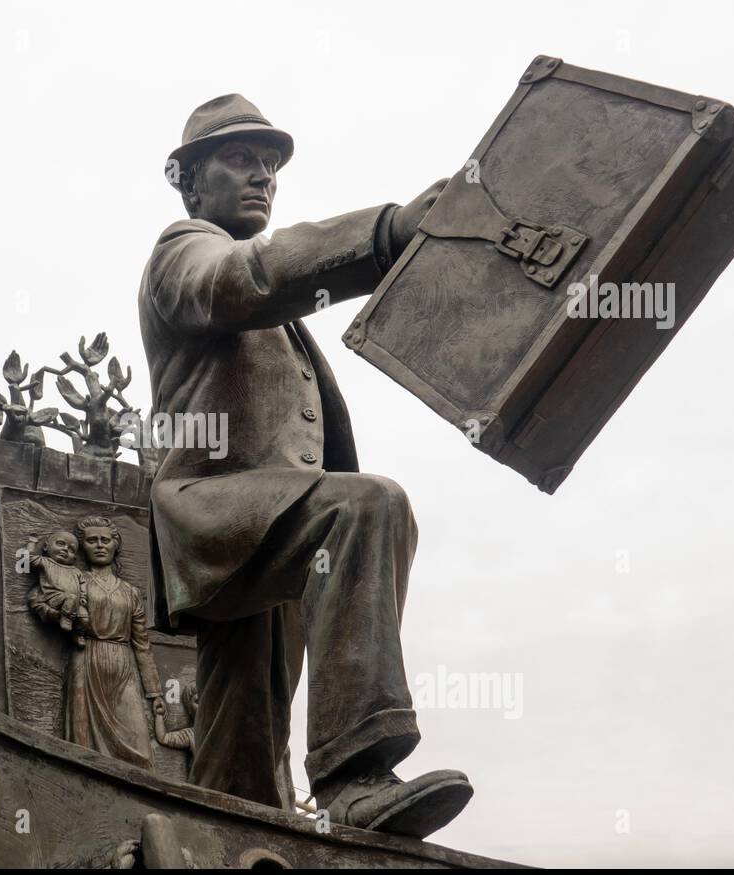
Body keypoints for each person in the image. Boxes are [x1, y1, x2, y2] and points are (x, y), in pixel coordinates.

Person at [137, 94, 472, 837]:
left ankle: (232, 837)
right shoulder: (181, 251)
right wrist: (386, 232)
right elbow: (246, 279)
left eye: (270, 166)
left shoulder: (282, 317)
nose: (262, 177)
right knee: (365, 507)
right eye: (240, 160)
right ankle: (354, 774)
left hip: (271, 537)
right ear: (191, 182)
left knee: (243, 738)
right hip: (217, 512)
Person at [60, 515, 163, 769]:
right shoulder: (76, 580)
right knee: (84, 743)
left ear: (115, 545)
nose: (99, 545)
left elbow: (142, 644)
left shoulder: (130, 592)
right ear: (83, 546)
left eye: (105, 540)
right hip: (86, 659)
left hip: (123, 665)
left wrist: (155, 691)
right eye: (92, 540)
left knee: (139, 744)